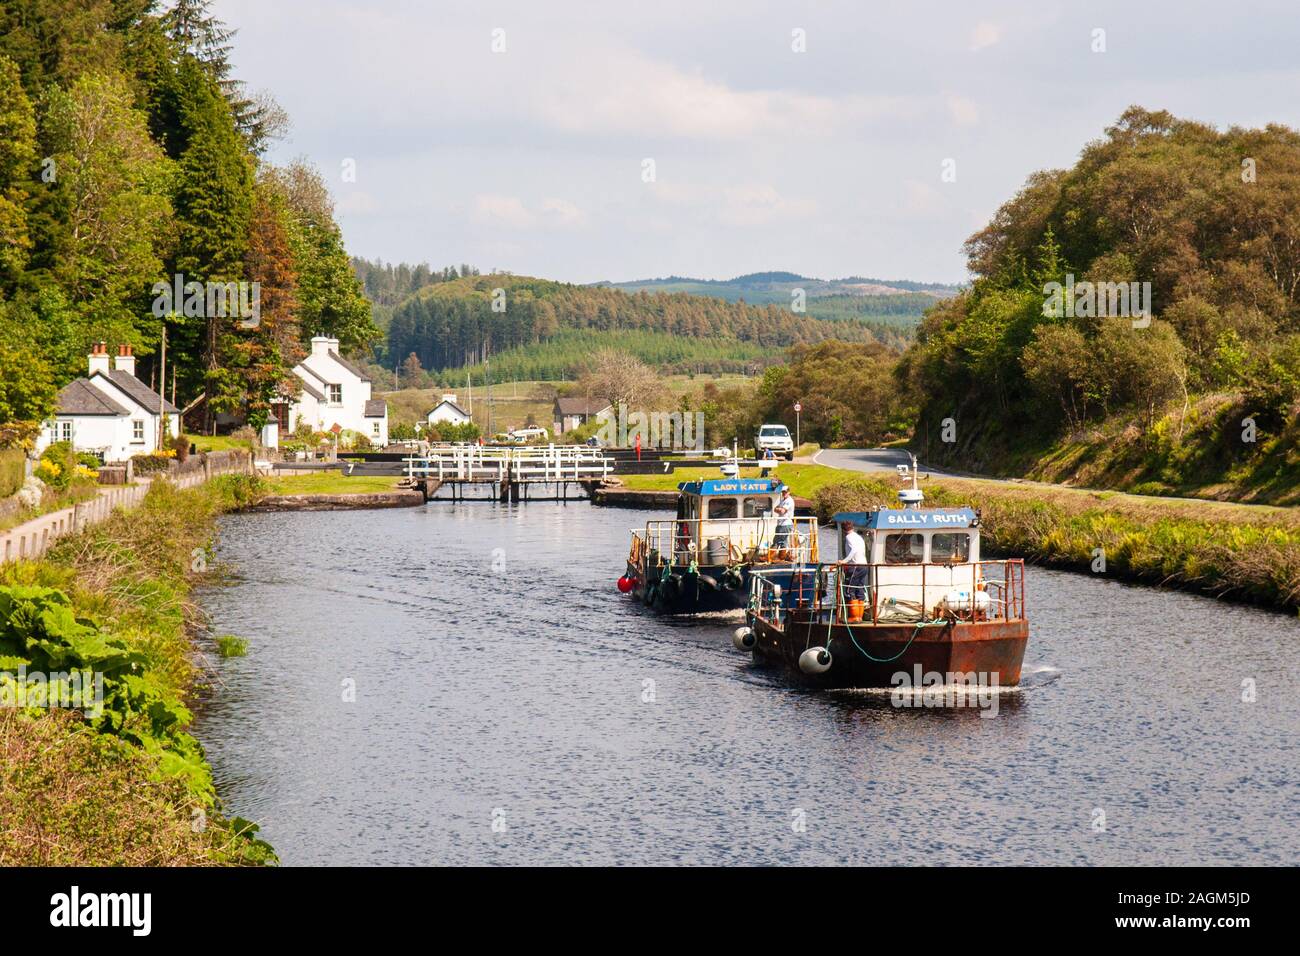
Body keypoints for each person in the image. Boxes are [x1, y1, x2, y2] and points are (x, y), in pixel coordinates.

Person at [837, 520, 869, 607]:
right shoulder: (858, 537)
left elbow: (853, 550)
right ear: (853, 527)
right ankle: (859, 616)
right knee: (860, 589)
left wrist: (844, 561)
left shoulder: (849, 537)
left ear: (843, 530)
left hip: (856, 566)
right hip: (864, 565)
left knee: (850, 590)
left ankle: (854, 617)